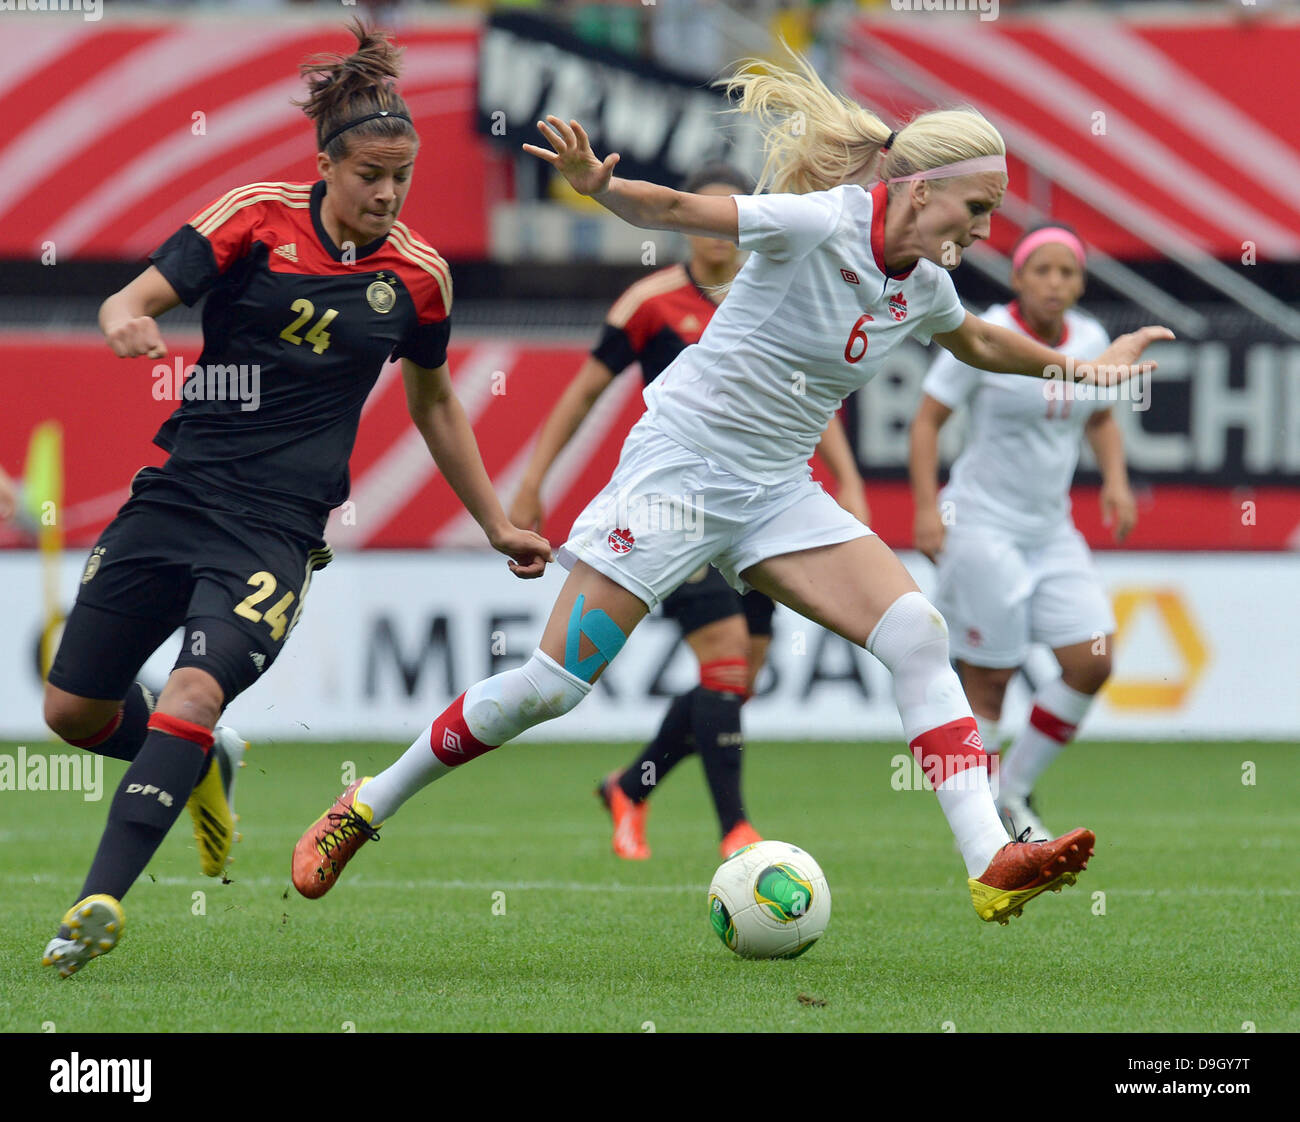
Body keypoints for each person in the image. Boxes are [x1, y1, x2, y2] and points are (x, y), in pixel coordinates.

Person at [294, 50, 1170, 925]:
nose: (985, 230)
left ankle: (991, 859)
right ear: (919, 189)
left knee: (915, 631)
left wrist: (1084, 372)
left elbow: (979, 343)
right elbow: (680, 209)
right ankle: (365, 805)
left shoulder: (926, 287)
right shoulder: (819, 223)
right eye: (977, 208)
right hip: (678, 475)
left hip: (776, 493)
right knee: (551, 686)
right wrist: (602, 187)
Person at [39, 20, 550, 978]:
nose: (387, 194)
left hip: (273, 532)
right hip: (176, 495)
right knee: (70, 710)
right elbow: (135, 297)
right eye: (369, 176)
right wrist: (126, 323)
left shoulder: (420, 278)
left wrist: (495, 523)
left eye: (400, 177)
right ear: (327, 165)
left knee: (193, 686)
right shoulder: (253, 217)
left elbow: (434, 400)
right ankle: (202, 761)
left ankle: (92, 905)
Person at [509, 161, 869, 860]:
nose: (717, 237)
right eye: (704, 219)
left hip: (758, 503)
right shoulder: (649, 301)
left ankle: (632, 787)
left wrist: (846, 478)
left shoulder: (775, 290)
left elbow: (802, 402)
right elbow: (583, 394)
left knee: (736, 678)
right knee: (727, 656)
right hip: (674, 506)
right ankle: (736, 829)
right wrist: (533, 483)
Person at [910, 223, 1135, 841]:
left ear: (1081, 282)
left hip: (1051, 529)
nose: (1055, 283)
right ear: (1018, 277)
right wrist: (929, 510)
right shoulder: (986, 332)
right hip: (982, 524)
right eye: (1043, 270)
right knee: (991, 678)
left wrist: (1115, 480)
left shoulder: (1090, 337)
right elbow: (927, 422)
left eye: (1068, 272)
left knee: (1092, 660)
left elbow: (1101, 419)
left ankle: (1013, 792)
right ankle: (984, 830)